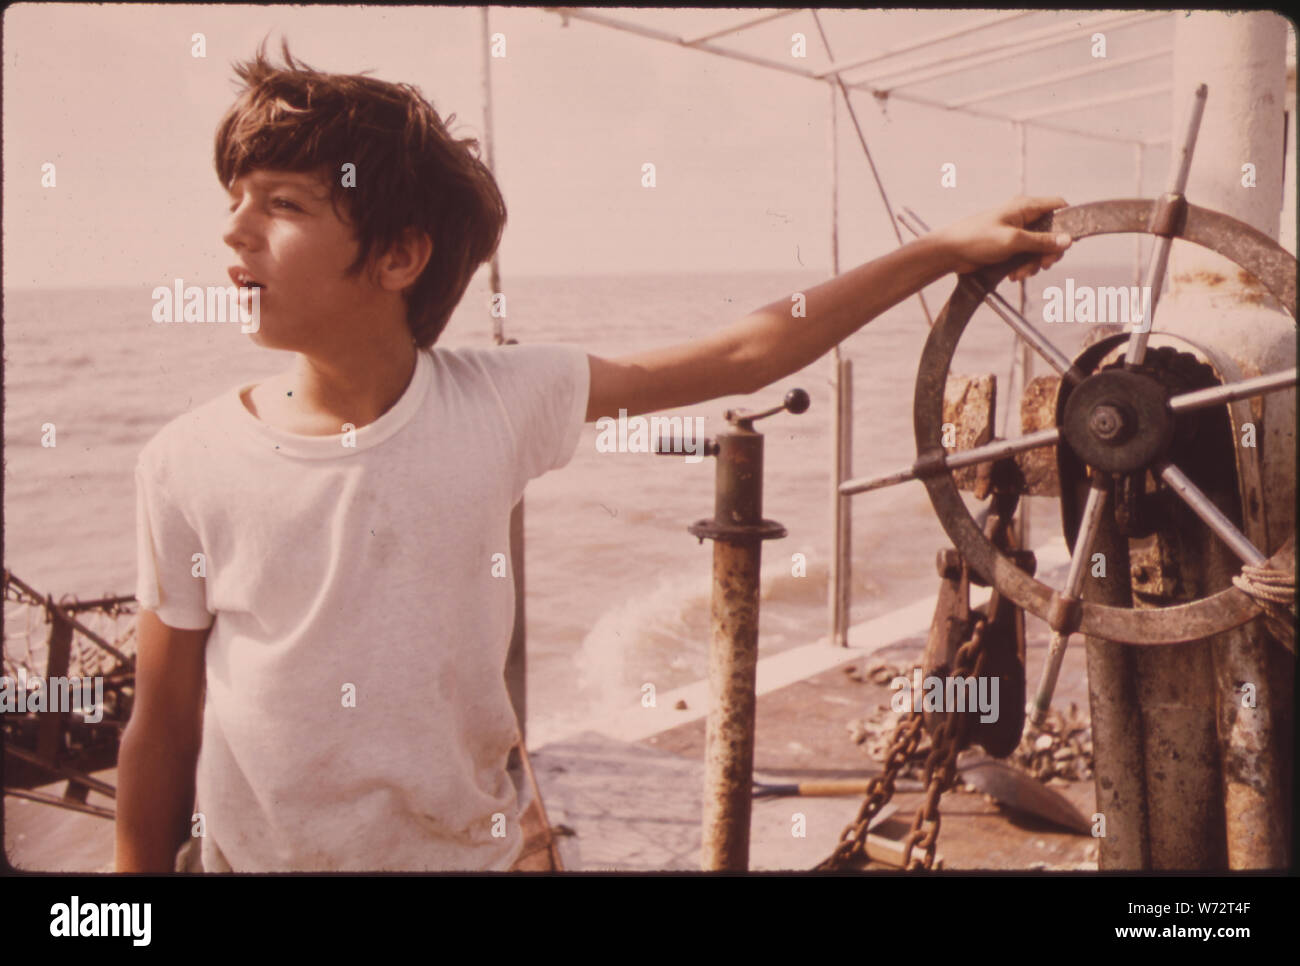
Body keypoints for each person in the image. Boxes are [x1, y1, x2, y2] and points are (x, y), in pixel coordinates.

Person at [115, 40, 1070, 873]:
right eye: (235, 200)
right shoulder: (186, 463)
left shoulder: (497, 402)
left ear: (400, 256)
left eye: (280, 204)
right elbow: (160, 727)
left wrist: (944, 248)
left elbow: (750, 350)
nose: (233, 231)